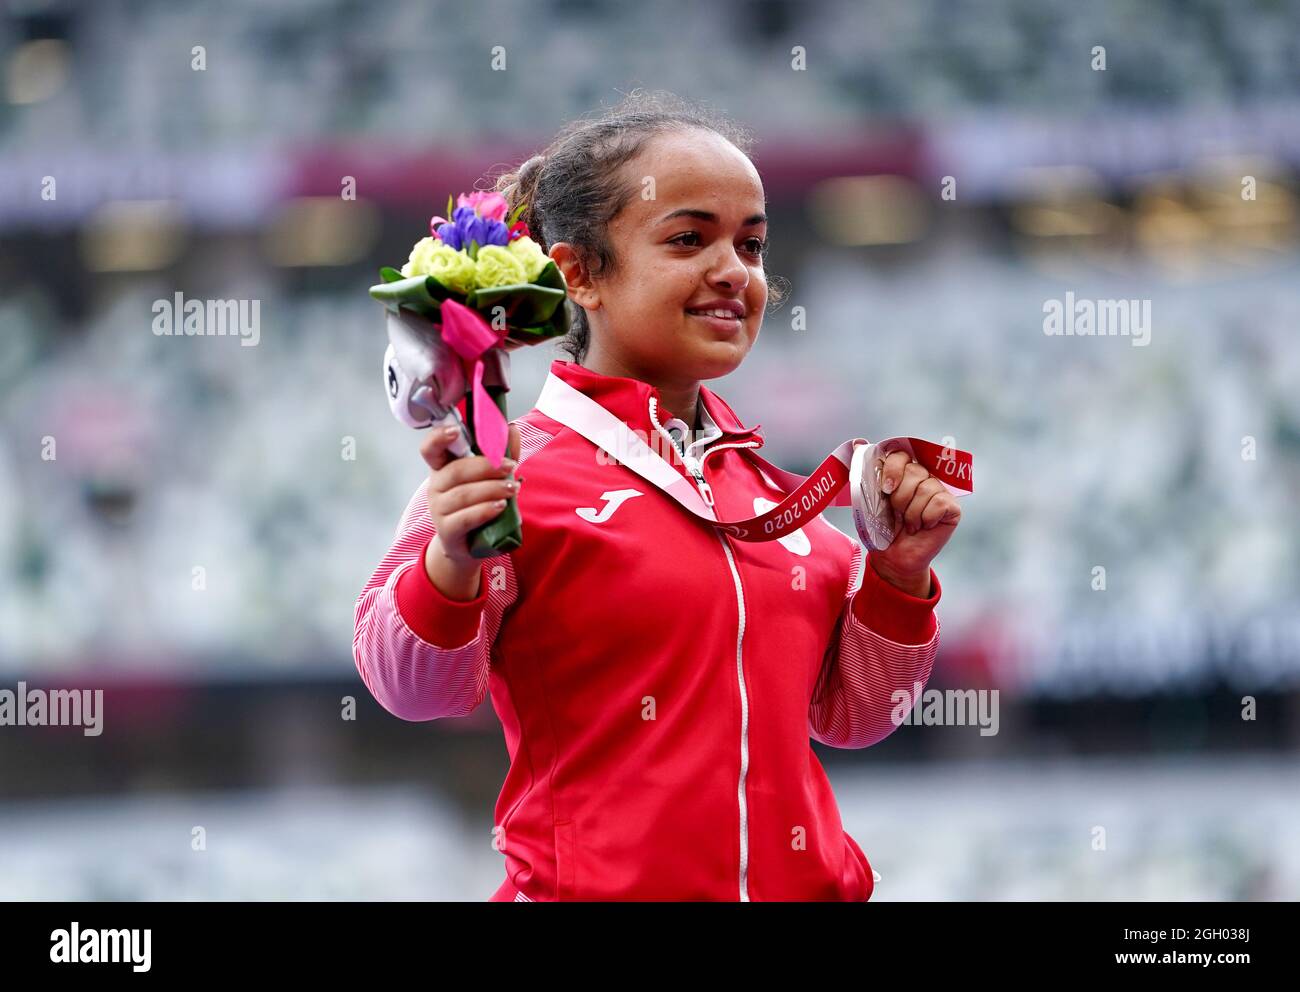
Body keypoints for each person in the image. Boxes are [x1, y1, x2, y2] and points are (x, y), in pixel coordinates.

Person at [353, 90, 962, 901]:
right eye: (688, 239)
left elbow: (857, 716)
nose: (733, 273)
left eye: (751, 245)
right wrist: (448, 564)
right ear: (579, 273)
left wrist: (899, 577)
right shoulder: (508, 471)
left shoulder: (771, 489)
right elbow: (410, 688)